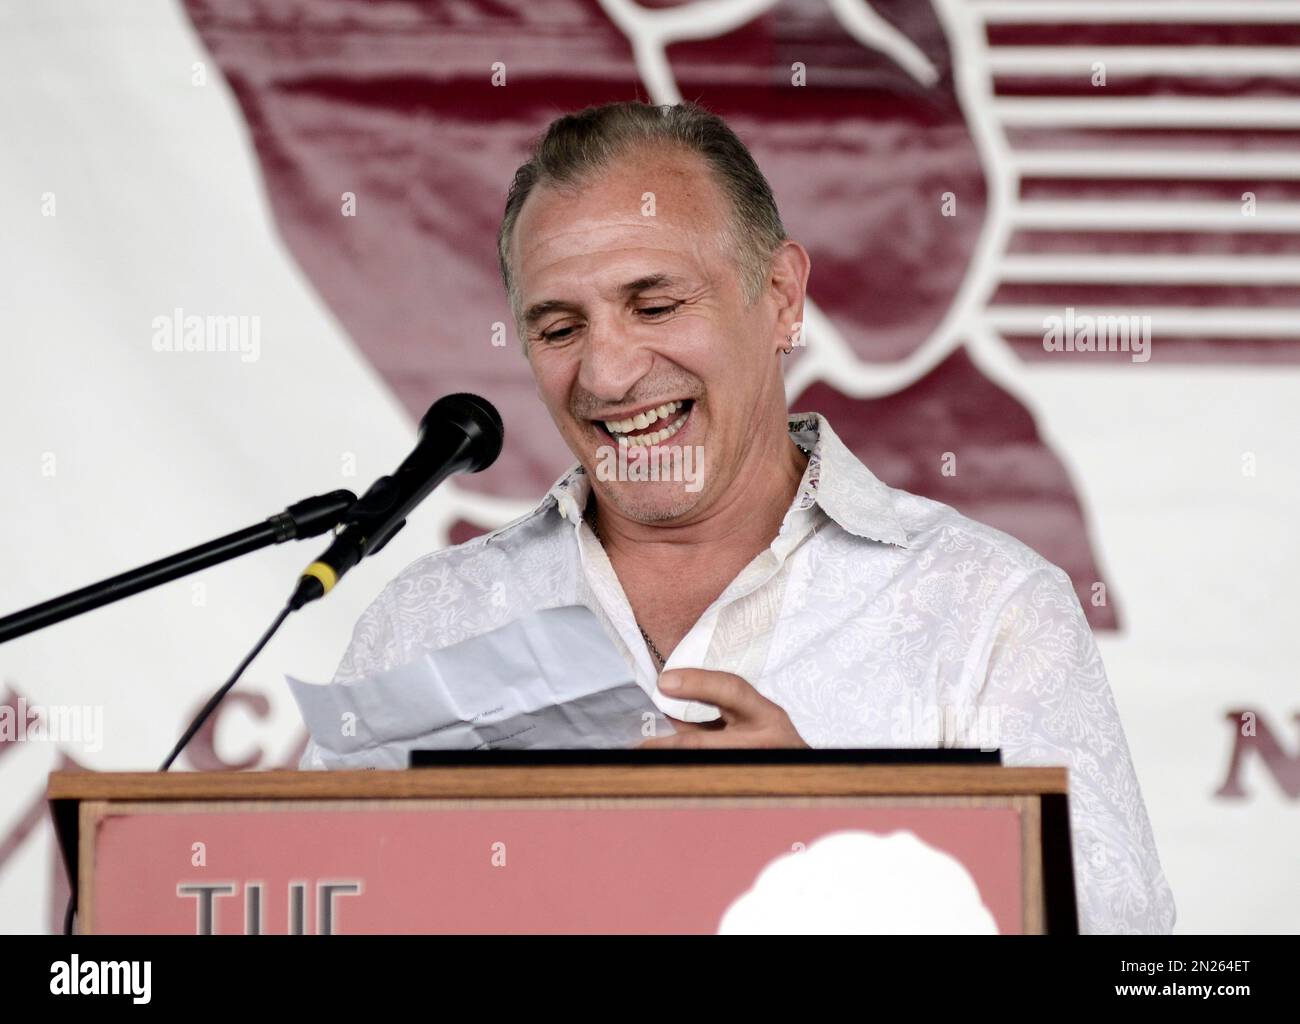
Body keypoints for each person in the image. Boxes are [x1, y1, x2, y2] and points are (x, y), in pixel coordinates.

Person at [300, 100, 1175, 934]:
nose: (606, 375)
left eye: (655, 305)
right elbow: (311, 904)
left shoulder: (988, 609)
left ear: (783, 297)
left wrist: (826, 842)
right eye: (560, 328)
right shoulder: (427, 621)